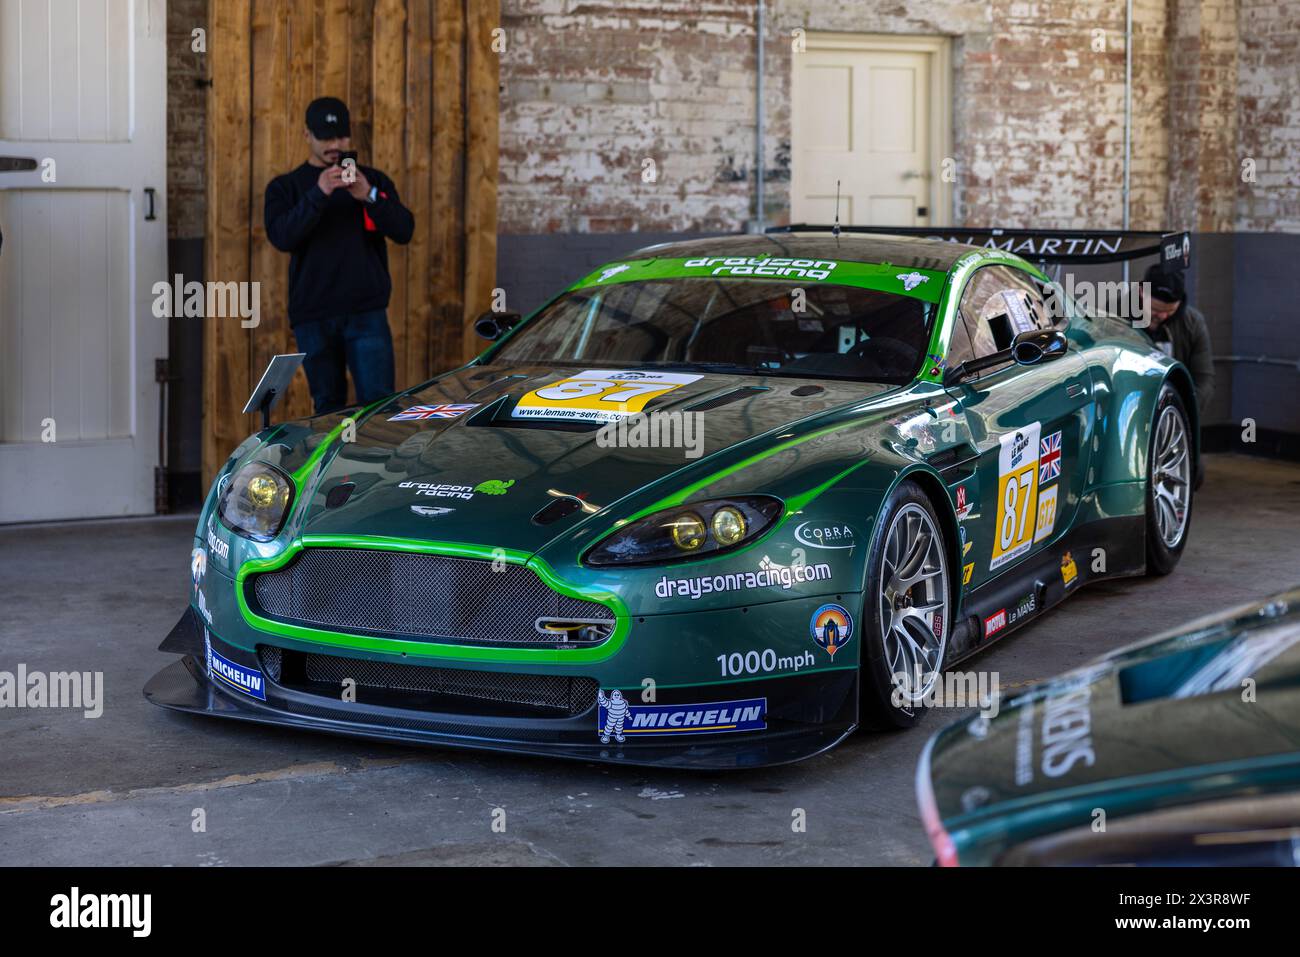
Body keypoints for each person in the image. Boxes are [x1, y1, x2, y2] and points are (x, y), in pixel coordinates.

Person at [264, 97, 414, 414]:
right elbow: (282, 237)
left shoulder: (373, 181)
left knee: (379, 407)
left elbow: (404, 230)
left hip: (367, 312)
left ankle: (373, 466)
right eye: (326, 137)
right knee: (327, 410)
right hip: (313, 315)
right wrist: (319, 193)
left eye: (341, 136)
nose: (335, 145)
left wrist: (369, 196)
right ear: (307, 136)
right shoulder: (286, 187)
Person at [1142, 263, 1214, 487]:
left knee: (1195, 473)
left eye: (1169, 311)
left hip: (1174, 412)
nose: (1161, 316)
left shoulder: (1193, 322)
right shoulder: (1115, 313)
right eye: (1154, 309)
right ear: (1140, 293)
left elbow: (1205, 379)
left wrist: (1183, 416)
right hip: (1135, 410)